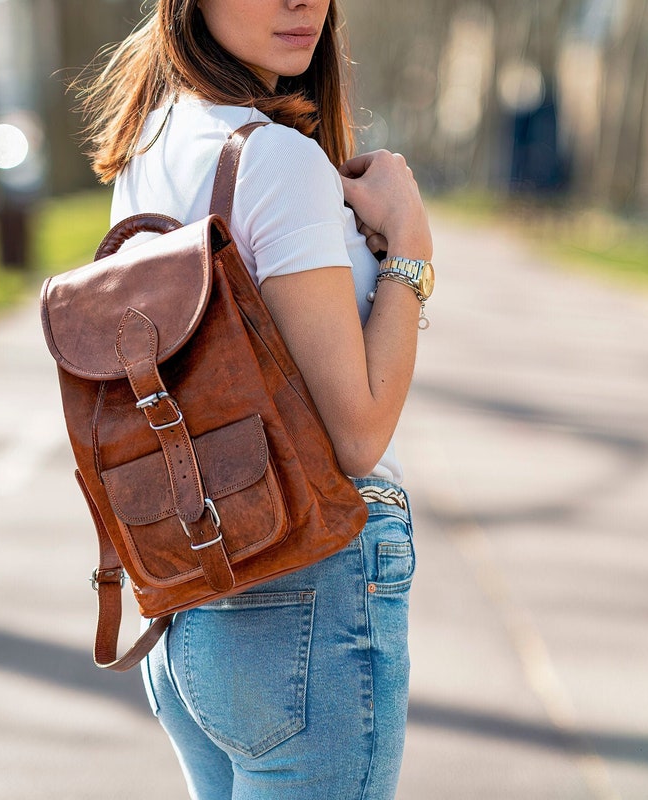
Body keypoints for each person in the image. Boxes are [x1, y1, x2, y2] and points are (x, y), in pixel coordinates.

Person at [79, 0, 433, 797]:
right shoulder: (277, 159)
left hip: (195, 604)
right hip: (305, 598)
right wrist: (410, 248)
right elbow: (356, 434)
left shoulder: (154, 137)